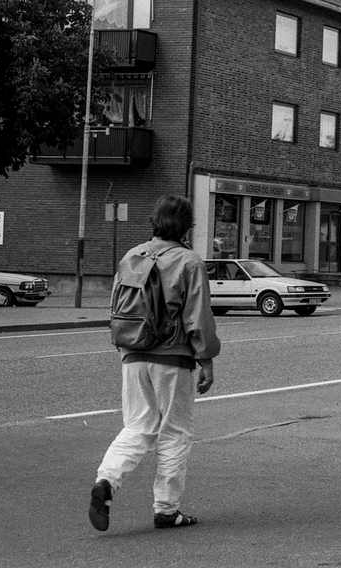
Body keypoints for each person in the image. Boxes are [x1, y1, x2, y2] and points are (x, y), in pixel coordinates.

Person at [88, 194, 221, 532]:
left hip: (132, 352)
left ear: (154, 221)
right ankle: (167, 510)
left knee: (137, 425)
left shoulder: (132, 255)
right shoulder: (189, 262)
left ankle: (106, 480)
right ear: (187, 226)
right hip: (172, 356)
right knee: (174, 432)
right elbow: (198, 317)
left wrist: (125, 349)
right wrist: (206, 360)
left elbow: (117, 308)